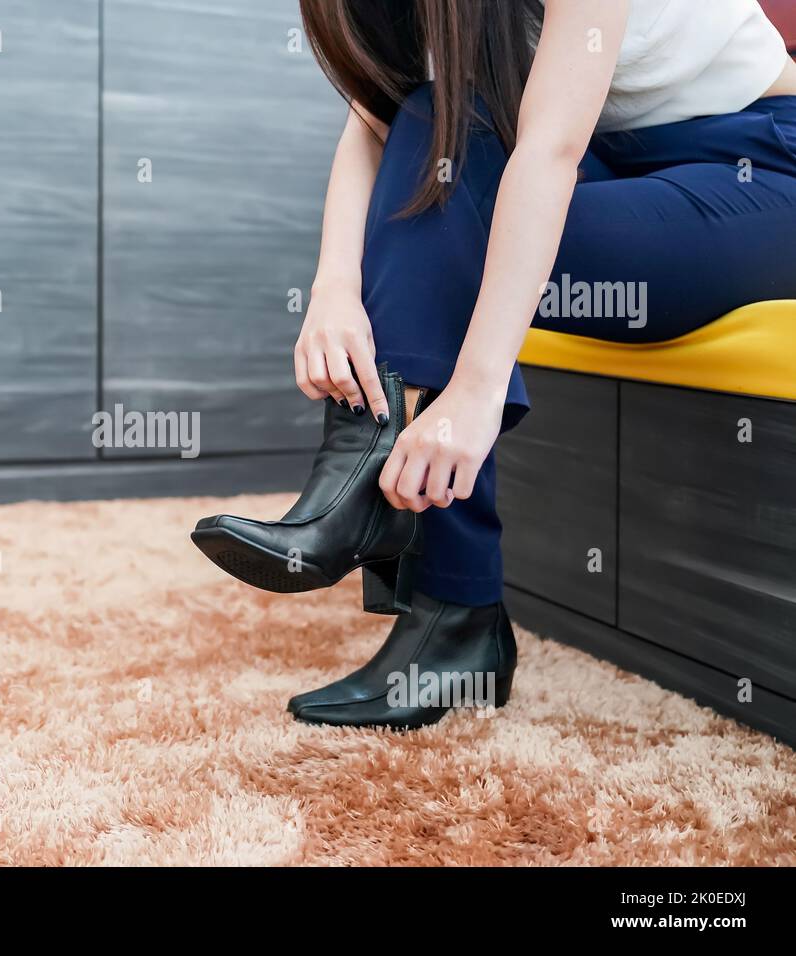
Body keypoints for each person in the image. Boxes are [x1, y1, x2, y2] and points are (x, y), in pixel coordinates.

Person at [192, 0, 796, 728]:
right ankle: (360, 482)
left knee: (473, 220)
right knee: (434, 118)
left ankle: (449, 605)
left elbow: (548, 153)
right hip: (615, 167)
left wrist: (476, 390)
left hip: (754, 169)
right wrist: (332, 292)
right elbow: (377, 123)